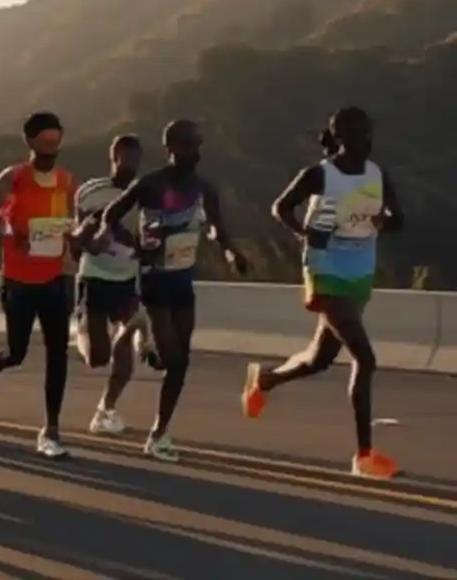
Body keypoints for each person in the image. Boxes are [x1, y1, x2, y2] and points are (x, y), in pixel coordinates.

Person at [242, 107, 400, 479]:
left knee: (319, 359)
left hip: (359, 273)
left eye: (369, 133)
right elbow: (280, 207)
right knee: (366, 358)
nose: (367, 141)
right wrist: (303, 232)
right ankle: (363, 456)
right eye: (360, 134)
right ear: (342, 137)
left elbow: (399, 218)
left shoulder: (378, 175)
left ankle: (264, 380)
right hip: (325, 272)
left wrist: (384, 222)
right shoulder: (318, 175)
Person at [90, 120, 249, 462]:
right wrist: (123, 239)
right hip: (154, 280)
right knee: (172, 356)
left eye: (198, 144)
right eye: (190, 145)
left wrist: (231, 252)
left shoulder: (204, 188)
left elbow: (218, 229)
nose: (197, 152)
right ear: (173, 147)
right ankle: (144, 341)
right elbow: (111, 213)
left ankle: (159, 433)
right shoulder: (152, 184)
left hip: (182, 280)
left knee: (178, 361)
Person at [0, 113, 77, 458]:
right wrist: (10, 233)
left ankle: (51, 430)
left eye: (55, 144)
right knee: (16, 352)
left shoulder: (65, 182)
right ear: (29, 142)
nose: (50, 152)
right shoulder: (15, 178)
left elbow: (70, 227)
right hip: (19, 283)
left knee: (59, 353)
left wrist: (80, 241)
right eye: (44, 145)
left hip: (55, 279)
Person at [70, 134, 146, 436]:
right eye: (122, 158)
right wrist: (92, 238)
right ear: (112, 158)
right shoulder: (89, 192)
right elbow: (77, 244)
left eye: (134, 159)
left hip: (126, 281)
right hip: (94, 278)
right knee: (98, 358)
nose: (128, 165)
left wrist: (137, 245)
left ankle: (106, 409)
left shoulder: (144, 194)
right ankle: (83, 327)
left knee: (124, 350)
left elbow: (149, 238)